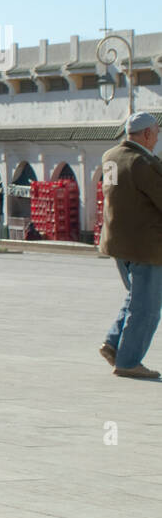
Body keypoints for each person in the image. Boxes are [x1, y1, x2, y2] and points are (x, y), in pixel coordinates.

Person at [99, 112, 162, 379]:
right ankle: (128, 362)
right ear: (147, 134)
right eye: (157, 134)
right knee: (147, 306)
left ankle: (113, 343)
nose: (157, 139)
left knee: (135, 297)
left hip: (117, 241)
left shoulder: (111, 156)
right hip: (145, 245)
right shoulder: (142, 162)